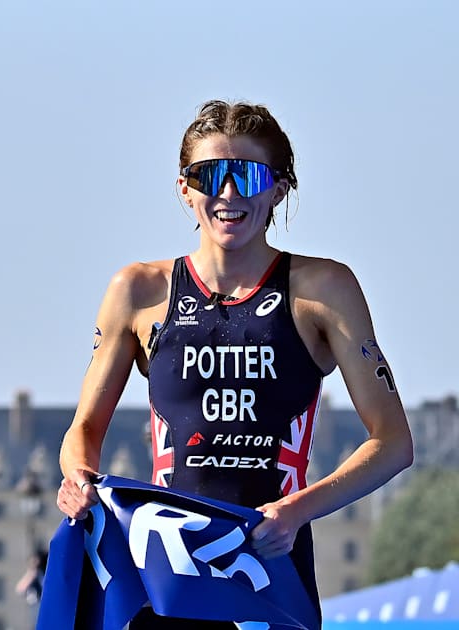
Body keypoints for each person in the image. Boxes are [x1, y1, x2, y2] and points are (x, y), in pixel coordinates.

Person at [55, 100, 414, 628]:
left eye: (246, 174)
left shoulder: (322, 290)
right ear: (185, 189)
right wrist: (77, 479)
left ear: (278, 188)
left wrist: (297, 511)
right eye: (210, 175)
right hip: (170, 574)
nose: (228, 193)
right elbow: (83, 429)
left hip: (270, 564)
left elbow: (394, 443)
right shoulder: (138, 291)